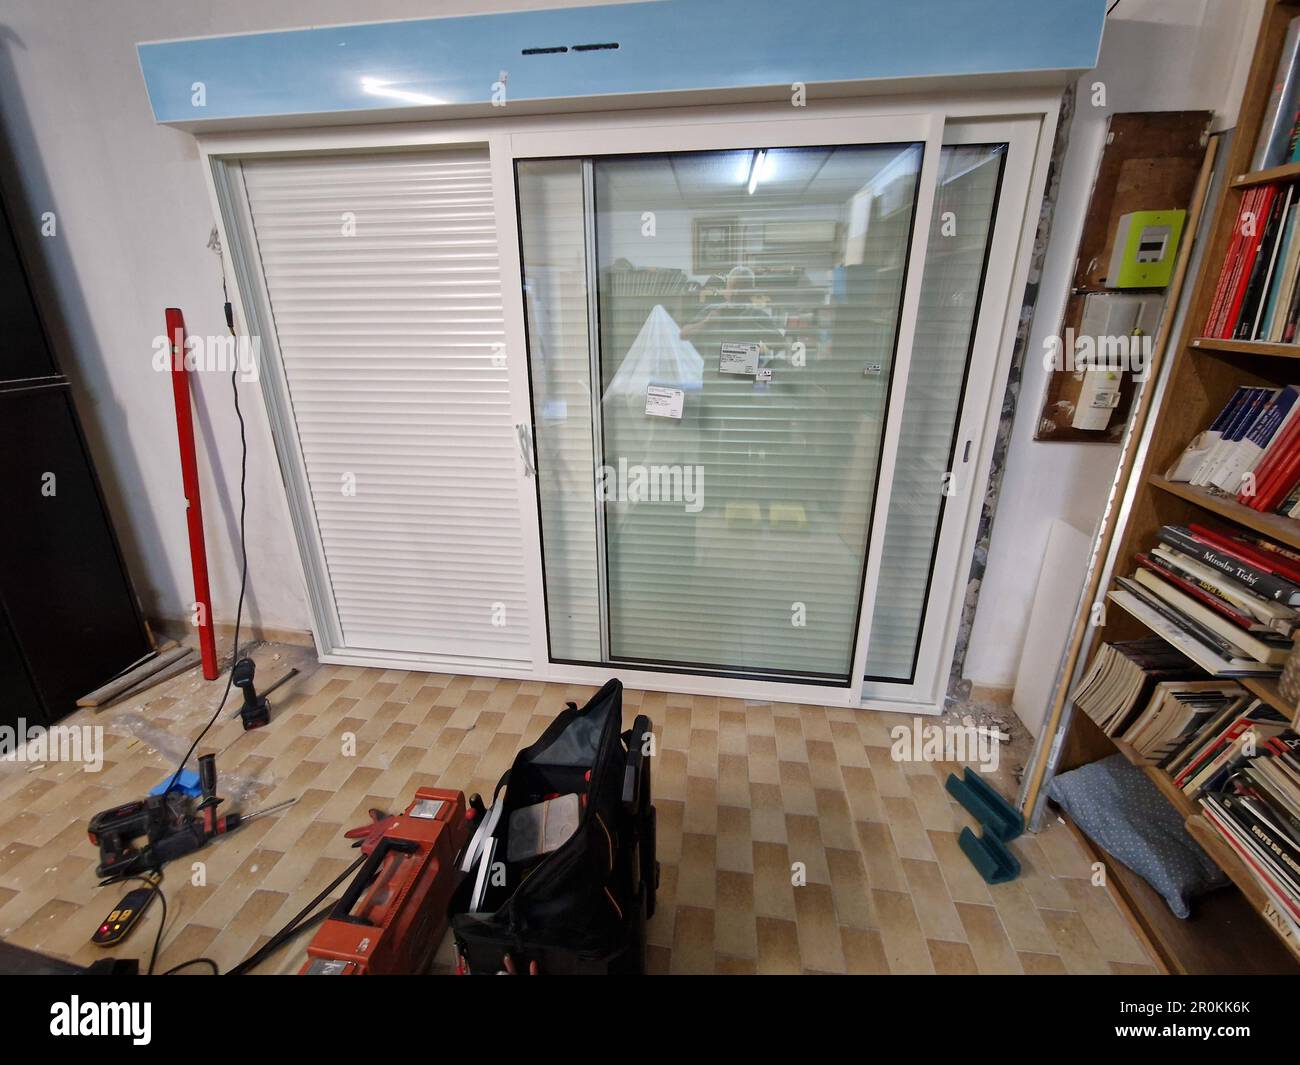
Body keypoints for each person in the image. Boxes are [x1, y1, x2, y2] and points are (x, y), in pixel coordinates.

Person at [679, 265, 784, 345]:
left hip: (744, 370)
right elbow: (683, 335)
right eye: (733, 287)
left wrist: (753, 326)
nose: (736, 292)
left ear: (751, 290)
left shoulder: (758, 314)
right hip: (713, 371)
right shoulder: (712, 310)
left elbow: (780, 344)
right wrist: (706, 322)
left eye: (743, 287)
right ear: (726, 288)